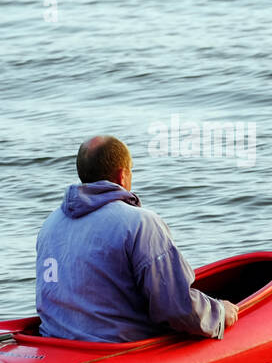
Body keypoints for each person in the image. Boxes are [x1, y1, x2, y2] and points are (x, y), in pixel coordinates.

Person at [35, 135, 238, 342]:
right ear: (122, 175)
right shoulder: (140, 223)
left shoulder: (50, 224)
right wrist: (219, 313)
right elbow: (176, 307)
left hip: (56, 342)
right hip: (114, 351)